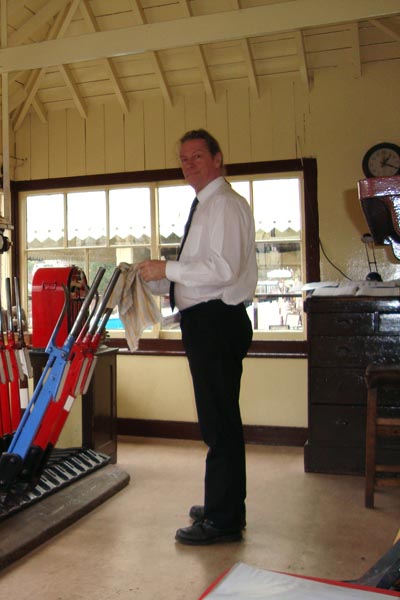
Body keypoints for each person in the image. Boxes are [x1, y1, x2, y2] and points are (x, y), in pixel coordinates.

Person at [138, 129, 257, 545]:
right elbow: (198, 275)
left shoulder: (222, 205)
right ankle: (223, 503)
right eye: (184, 158)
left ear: (218, 158)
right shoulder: (206, 206)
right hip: (208, 320)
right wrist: (153, 280)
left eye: (197, 157)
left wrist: (166, 270)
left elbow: (221, 271)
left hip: (217, 323)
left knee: (219, 424)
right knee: (218, 420)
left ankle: (224, 520)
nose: (189, 164)